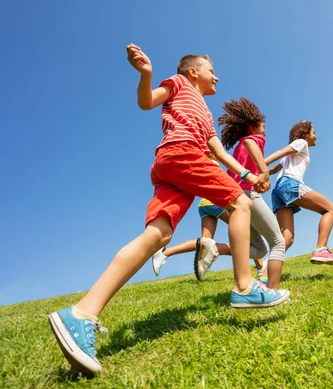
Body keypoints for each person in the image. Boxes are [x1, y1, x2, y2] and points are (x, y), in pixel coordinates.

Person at [47, 44, 290, 377]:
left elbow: (218, 151)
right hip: (181, 153)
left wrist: (248, 175)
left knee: (158, 234)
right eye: (211, 68)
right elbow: (147, 102)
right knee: (241, 203)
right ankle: (245, 288)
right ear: (193, 72)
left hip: (172, 166)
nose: (216, 74)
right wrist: (146, 75)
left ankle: (81, 313)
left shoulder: (205, 113)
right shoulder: (178, 83)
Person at [218, 97, 287, 289]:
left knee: (259, 250)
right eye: (263, 126)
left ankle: (214, 248)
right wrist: (264, 171)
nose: (265, 131)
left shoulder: (239, 148)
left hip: (234, 198)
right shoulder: (253, 139)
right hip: (246, 196)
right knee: (278, 242)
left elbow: (252, 171)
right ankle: (272, 289)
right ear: (252, 127)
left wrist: (268, 172)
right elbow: (252, 145)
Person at [264, 120, 333, 268]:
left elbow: (274, 170)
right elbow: (280, 152)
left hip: (278, 191)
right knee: (330, 210)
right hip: (290, 184)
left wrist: (257, 175)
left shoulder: (292, 156)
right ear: (305, 134)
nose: (316, 137)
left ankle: (264, 273)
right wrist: (260, 165)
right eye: (314, 133)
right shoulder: (301, 143)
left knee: (286, 238)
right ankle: (321, 249)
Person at [151, 196, 268, 280]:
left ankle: (165, 253)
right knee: (244, 230)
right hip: (218, 201)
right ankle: (260, 266)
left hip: (204, 204)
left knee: (205, 243)